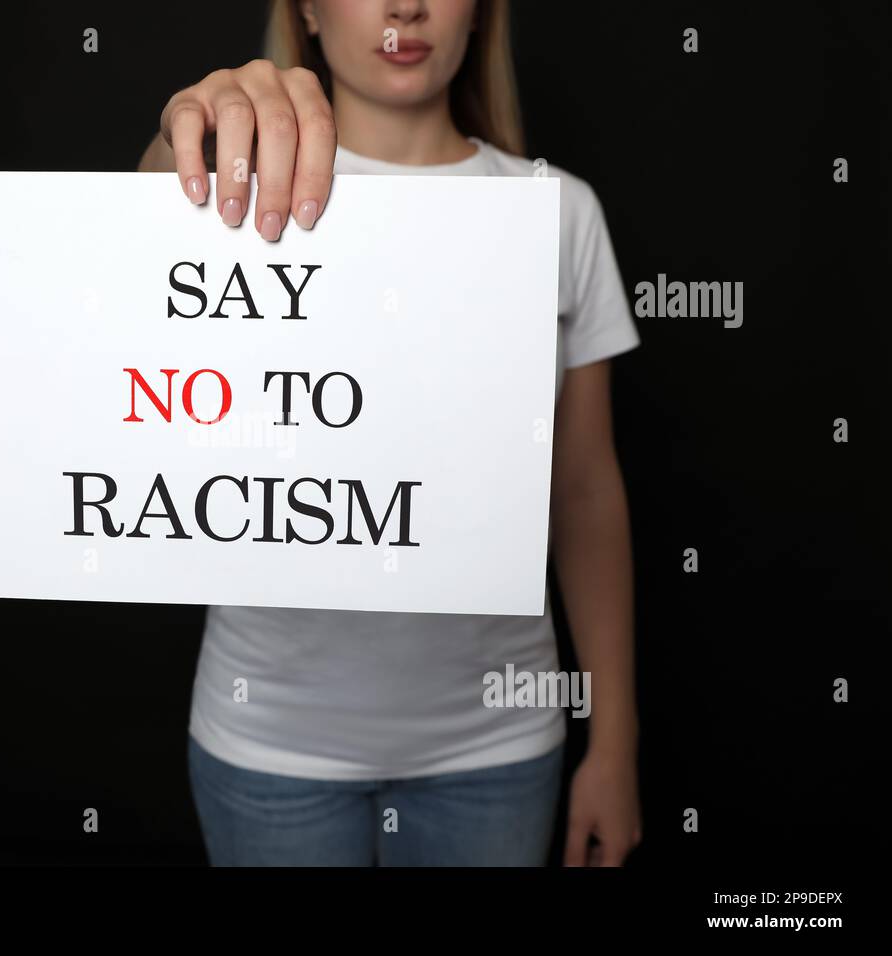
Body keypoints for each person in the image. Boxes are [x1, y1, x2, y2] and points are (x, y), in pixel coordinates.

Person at [138, 0, 643, 866]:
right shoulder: (238, 195)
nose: (404, 7)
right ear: (305, 9)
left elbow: (584, 490)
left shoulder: (559, 211)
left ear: (482, 13)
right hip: (268, 742)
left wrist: (618, 743)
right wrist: (185, 129)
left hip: (497, 748)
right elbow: (137, 225)